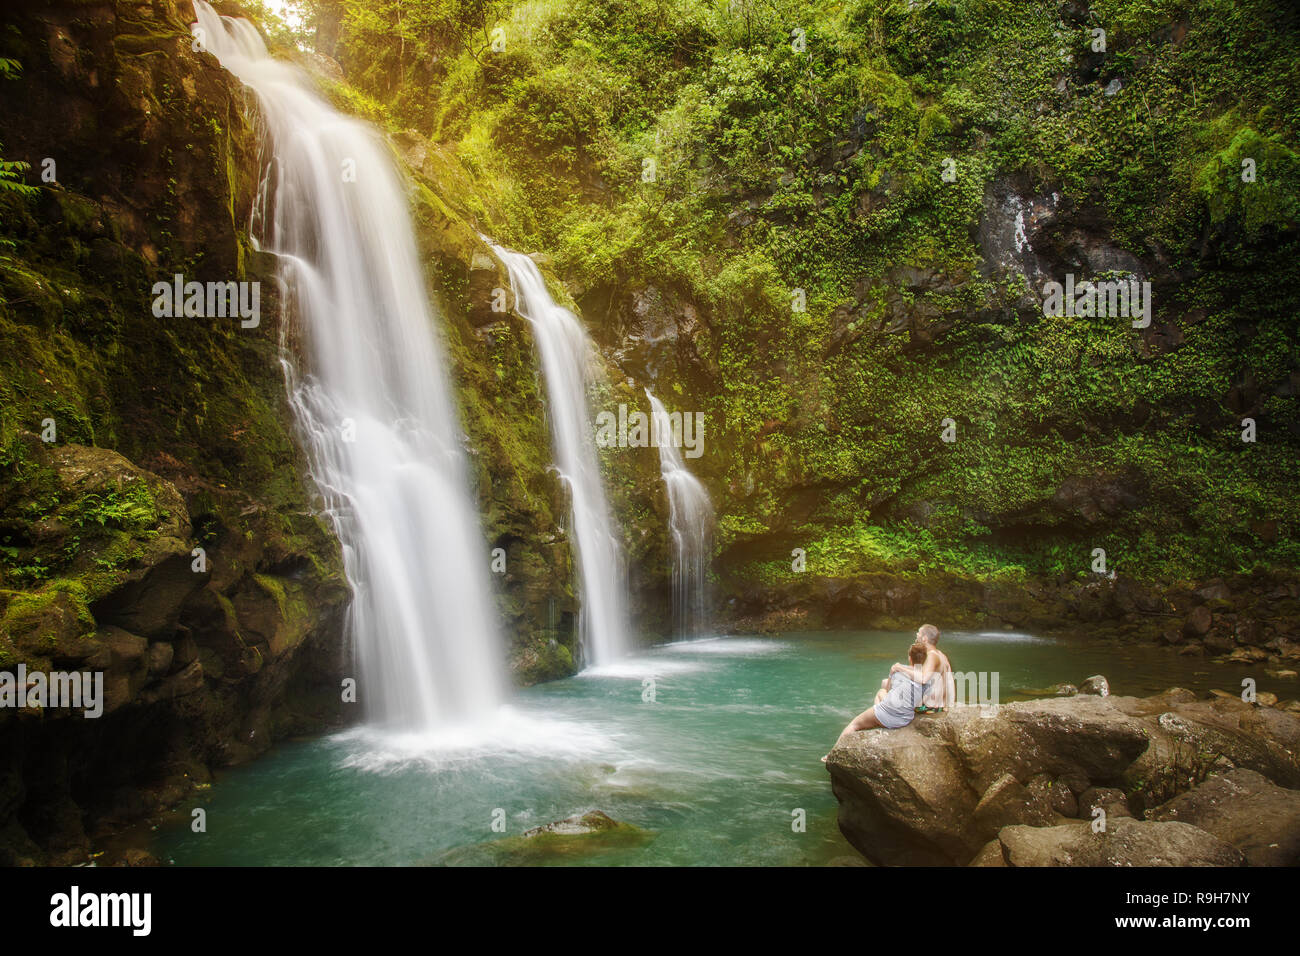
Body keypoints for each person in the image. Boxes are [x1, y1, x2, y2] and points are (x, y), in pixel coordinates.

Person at [825, 641, 930, 755]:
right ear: (924, 660)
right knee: (881, 692)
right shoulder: (926, 679)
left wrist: (892, 673)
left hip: (887, 715)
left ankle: (832, 753)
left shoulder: (899, 672)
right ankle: (876, 713)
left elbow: (889, 690)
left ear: (909, 658)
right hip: (904, 719)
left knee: (854, 724)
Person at [889, 623, 954, 713]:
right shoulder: (941, 654)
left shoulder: (932, 655)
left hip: (929, 708)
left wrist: (900, 668)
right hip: (939, 705)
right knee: (890, 681)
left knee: (886, 689)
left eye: (919, 633)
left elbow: (923, 678)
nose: (916, 635)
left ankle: (885, 714)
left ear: (925, 638)